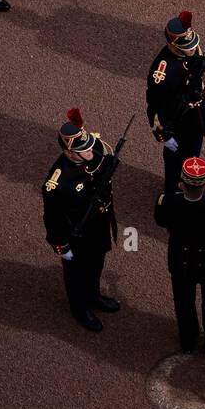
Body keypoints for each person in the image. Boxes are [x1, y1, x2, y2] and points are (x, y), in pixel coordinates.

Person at [41, 108, 121, 332]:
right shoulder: (57, 183)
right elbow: (52, 217)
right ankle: (80, 308)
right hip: (76, 233)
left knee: (96, 263)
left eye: (88, 146)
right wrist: (60, 245)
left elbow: (104, 162)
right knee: (76, 274)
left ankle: (94, 295)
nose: (89, 152)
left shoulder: (93, 150)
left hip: (98, 222)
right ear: (69, 151)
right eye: (83, 150)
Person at [154, 156, 205, 353]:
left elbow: (160, 221)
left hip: (180, 259)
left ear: (181, 182)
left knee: (183, 301)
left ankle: (188, 338)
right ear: (204, 183)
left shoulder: (166, 201)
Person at [146, 11, 205, 195]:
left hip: (195, 117)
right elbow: (154, 106)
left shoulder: (192, 51)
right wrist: (162, 135)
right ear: (172, 44)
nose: (193, 48)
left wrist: (203, 100)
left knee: (193, 155)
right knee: (175, 163)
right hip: (177, 123)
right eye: (187, 46)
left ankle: (192, 186)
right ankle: (173, 193)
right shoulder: (162, 74)